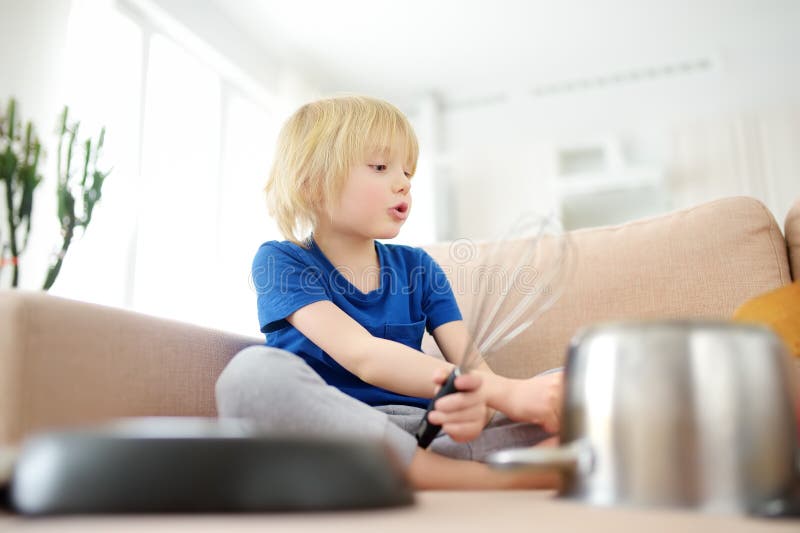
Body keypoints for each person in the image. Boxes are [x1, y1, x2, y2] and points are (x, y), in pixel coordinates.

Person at [215, 95, 564, 489]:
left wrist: (476, 410)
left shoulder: (418, 268)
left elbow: (477, 375)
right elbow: (364, 355)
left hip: (428, 435)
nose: (403, 184)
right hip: (336, 436)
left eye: (408, 173)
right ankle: (476, 477)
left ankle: (445, 468)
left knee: (572, 382)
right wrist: (504, 392)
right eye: (380, 167)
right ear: (311, 183)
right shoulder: (281, 261)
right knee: (249, 375)